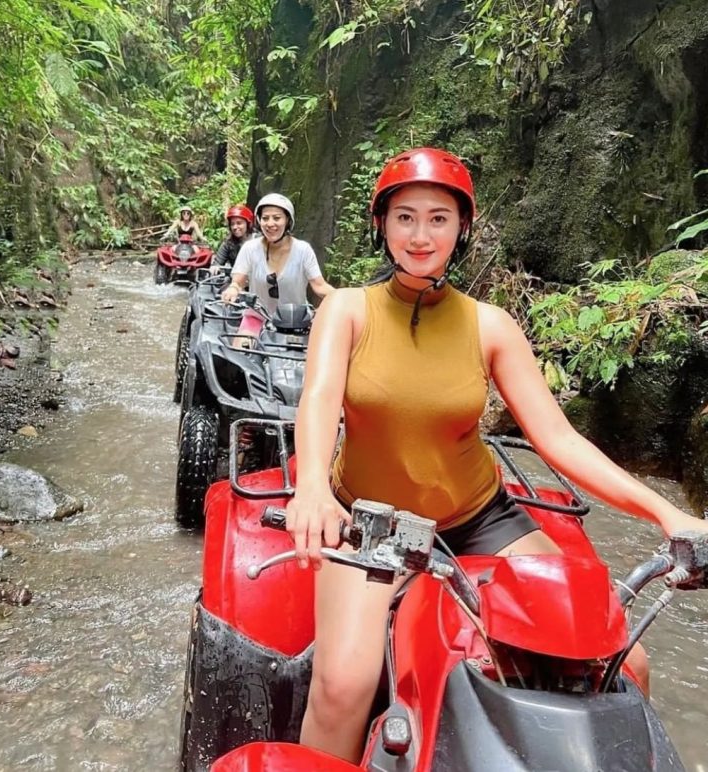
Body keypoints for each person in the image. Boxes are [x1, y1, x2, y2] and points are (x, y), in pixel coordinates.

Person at [283, 147, 708, 764]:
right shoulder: (347, 310)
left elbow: (558, 440)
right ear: (381, 226)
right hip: (369, 519)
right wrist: (313, 489)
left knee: (622, 663)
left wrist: (665, 514)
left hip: (481, 517)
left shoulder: (491, 326)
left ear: (462, 229)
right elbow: (318, 402)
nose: (420, 234)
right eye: (404, 217)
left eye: (438, 218)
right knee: (342, 686)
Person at [220, 193, 334, 314]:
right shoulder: (250, 248)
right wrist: (232, 289)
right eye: (265, 218)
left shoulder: (303, 250)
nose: (270, 224)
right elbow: (238, 282)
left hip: (296, 320)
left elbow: (320, 286)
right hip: (257, 317)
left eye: (276, 218)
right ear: (259, 221)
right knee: (243, 333)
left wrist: (344, 297)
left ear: (288, 220)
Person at [209, 204, 254, 275]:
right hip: (235, 280)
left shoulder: (258, 241)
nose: (235, 227)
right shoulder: (228, 243)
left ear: (248, 224)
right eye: (232, 224)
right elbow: (217, 263)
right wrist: (215, 268)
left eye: (239, 223)